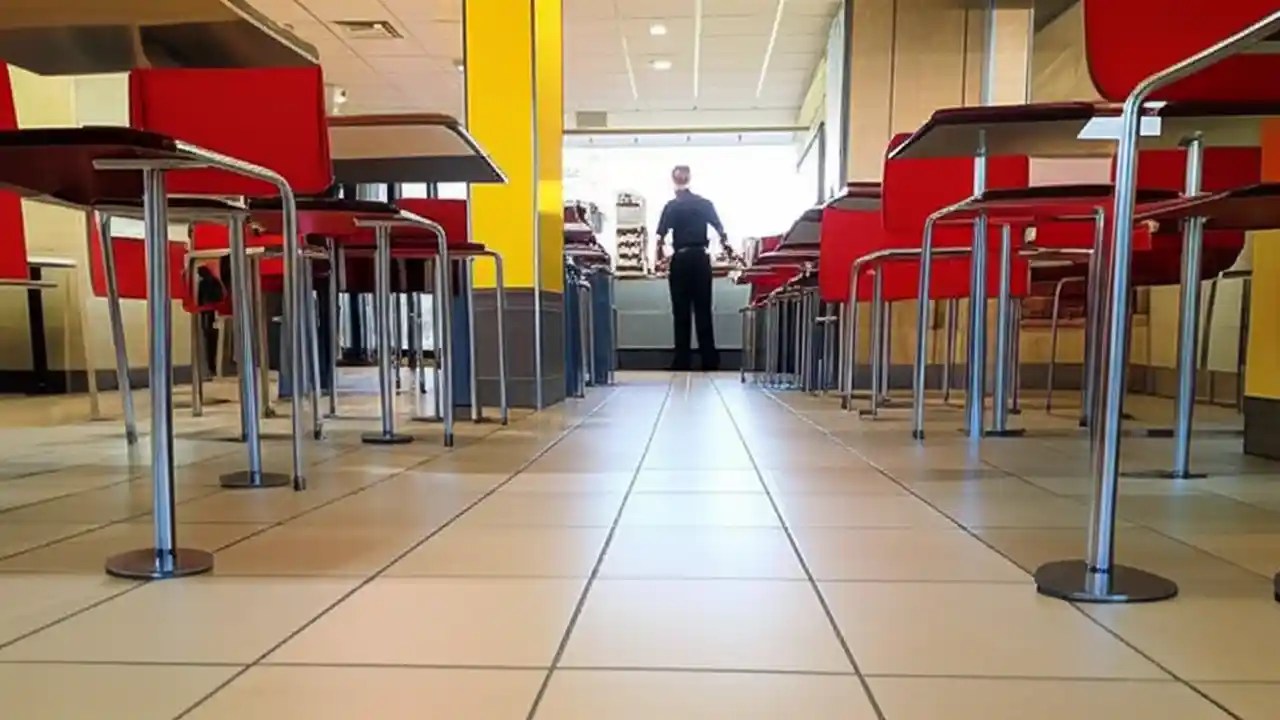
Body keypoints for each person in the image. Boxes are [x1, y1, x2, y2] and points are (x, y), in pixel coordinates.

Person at [656, 165, 727, 371]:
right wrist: (728, 250)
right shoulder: (704, 204)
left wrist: (658, 259)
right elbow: (721, 230)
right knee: (703, 309)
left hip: (680, 259)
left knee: (681, 312)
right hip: (700, 259)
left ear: (674, 181)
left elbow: (660, 236)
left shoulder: (671, 206)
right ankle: (709, 360)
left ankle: (682, 360)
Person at [195, 265, 224, 376]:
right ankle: (213, 366)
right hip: (214, 314)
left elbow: (199, 300)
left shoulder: (203, 284)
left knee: (208, 340)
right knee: (213, 341)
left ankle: (211, 366)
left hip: (207, 314)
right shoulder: (215, 282)